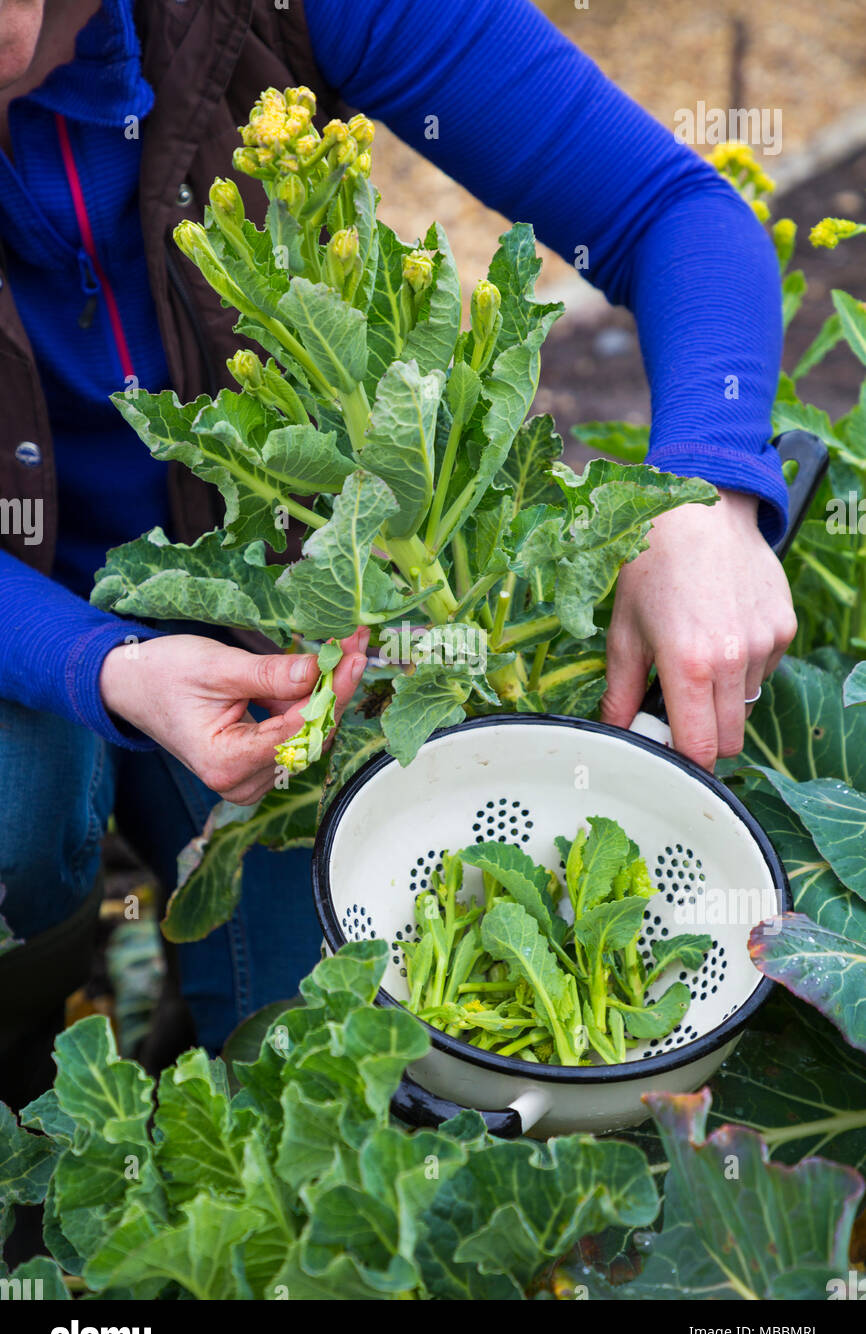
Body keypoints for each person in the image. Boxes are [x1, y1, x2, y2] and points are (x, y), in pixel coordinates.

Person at [0, 0, 797, 1074]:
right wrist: (96, 664)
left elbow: (667, 210)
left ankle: (158, 983)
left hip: (281, 622)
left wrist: (704, 496)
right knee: (18, 801)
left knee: (339, 1042)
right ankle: (36, 1047)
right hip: (28, 604)